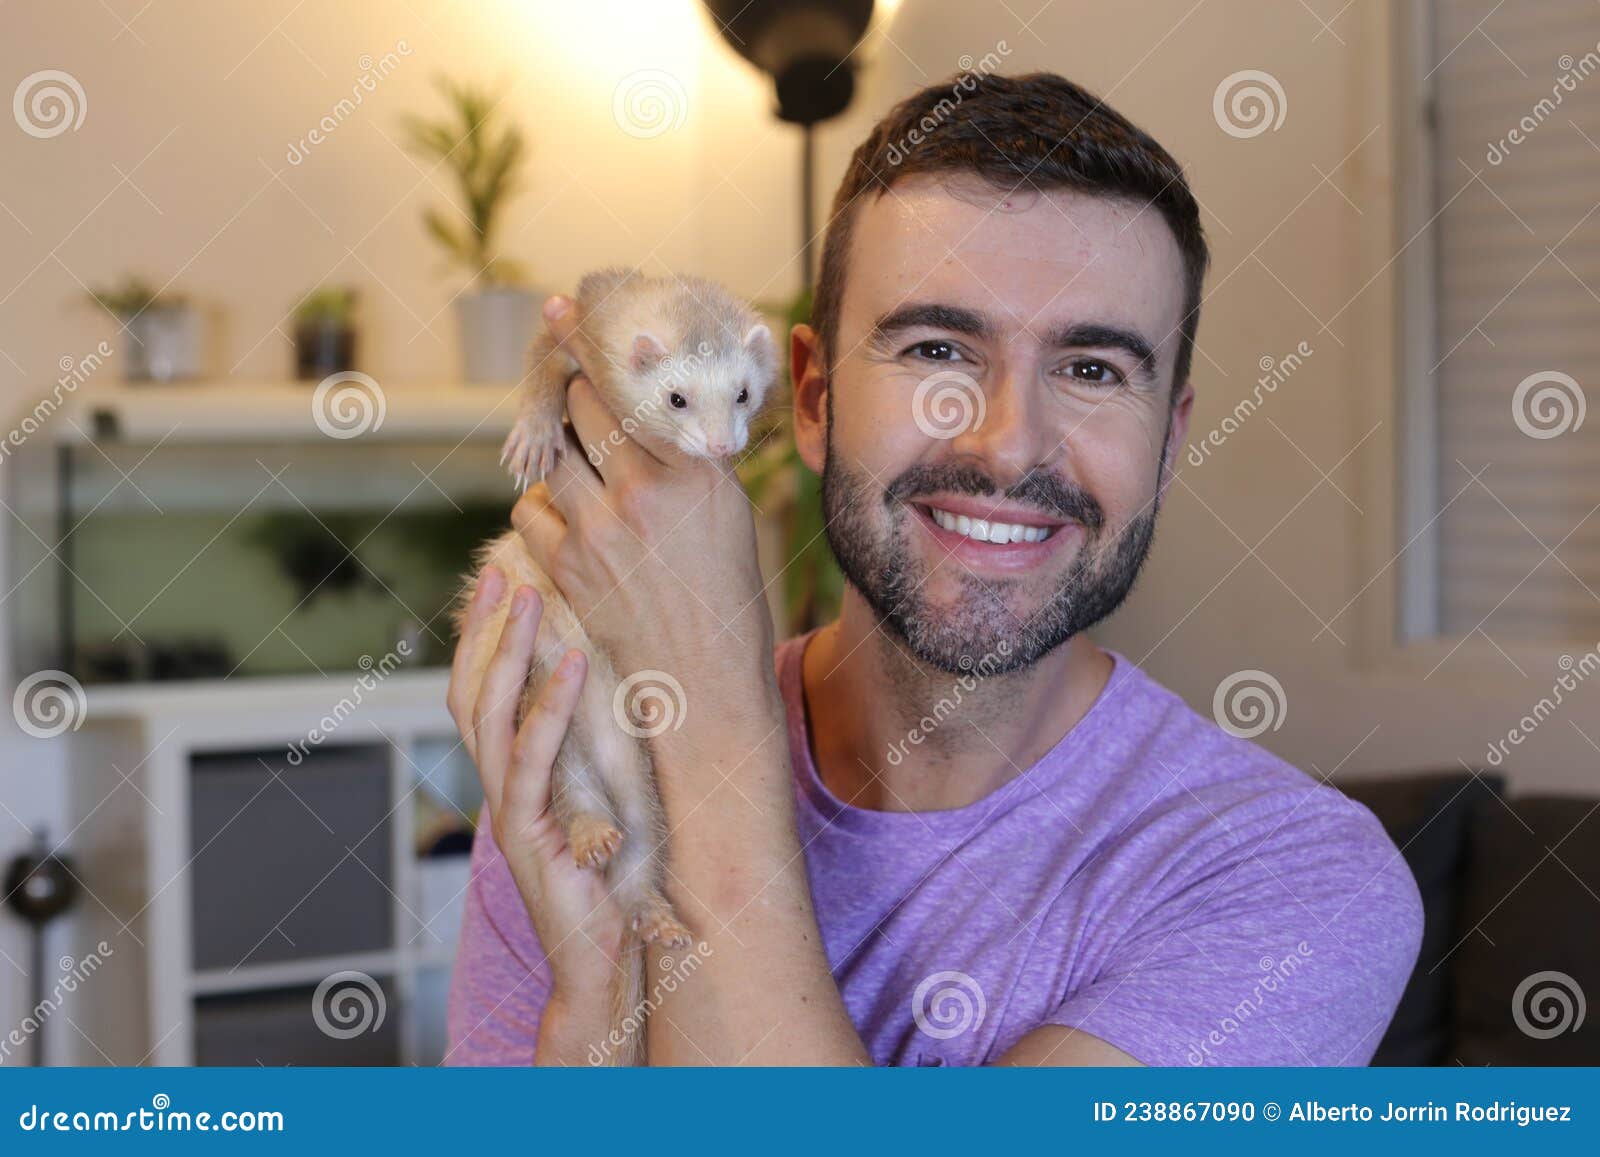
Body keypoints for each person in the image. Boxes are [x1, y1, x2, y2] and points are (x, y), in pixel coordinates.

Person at [443, 71, 1422, 1067]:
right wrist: (590, 1001)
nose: (1005, 446)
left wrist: (706, 722)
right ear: (815, 399)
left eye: (1091, 369)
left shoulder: (1296, 884)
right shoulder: (580, 763)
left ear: (1168, 445)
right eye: (938, 348)